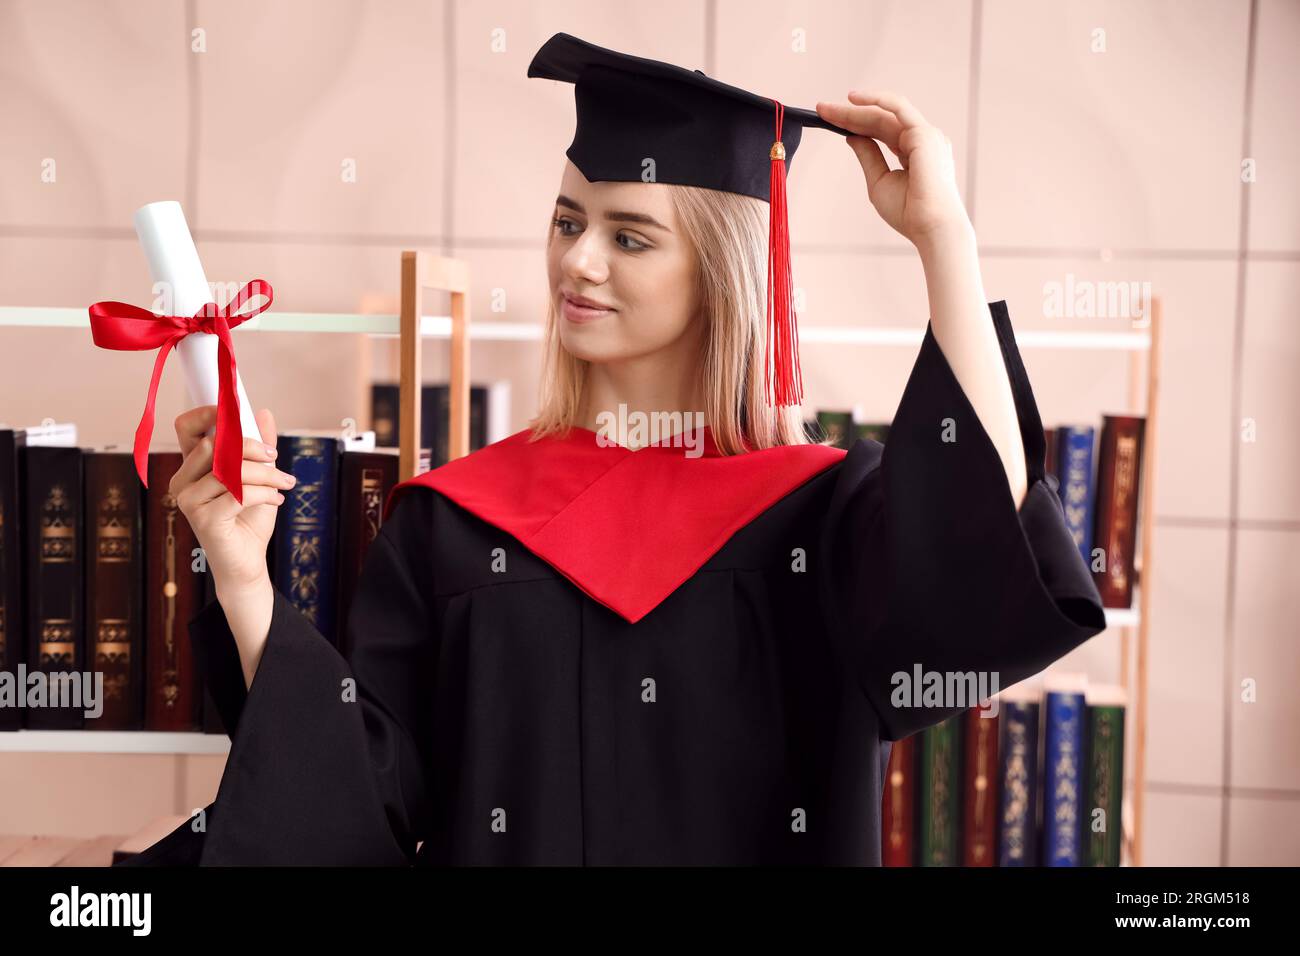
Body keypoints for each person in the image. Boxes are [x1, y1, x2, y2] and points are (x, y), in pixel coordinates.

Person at [118, 33, 1106, 866]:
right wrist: (245, 577)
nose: (577, 262)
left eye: (629, 236)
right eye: (566, 221)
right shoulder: (455, 523)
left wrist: (943, 238)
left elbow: (976, 574)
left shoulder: (825, 517)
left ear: (724, 274)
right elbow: (358, 810)